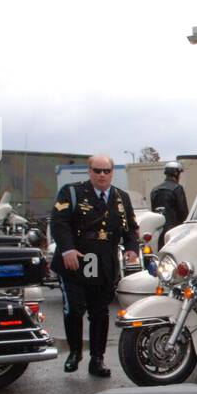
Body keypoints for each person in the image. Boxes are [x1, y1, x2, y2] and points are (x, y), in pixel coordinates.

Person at [49, 154, 139, 377]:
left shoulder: (121, 197)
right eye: (97, 171)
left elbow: (131, 229)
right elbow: (59, 223)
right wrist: (67, 249)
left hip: (105, 262)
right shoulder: (72, 192)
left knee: (100, 313)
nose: (102, 175)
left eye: (106, 171)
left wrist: (131, 249)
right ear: (89, 172)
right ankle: (75, 352)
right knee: (74, 309)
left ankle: (97, 359)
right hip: (75, 261)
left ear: (111, 173)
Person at [149, 162, 189, 244]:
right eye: (179, 173)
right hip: (174, 229)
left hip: (159, 229)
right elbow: (183, 211)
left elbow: (153, 210)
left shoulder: (155, 190)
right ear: (176, 173)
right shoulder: (177, 188)